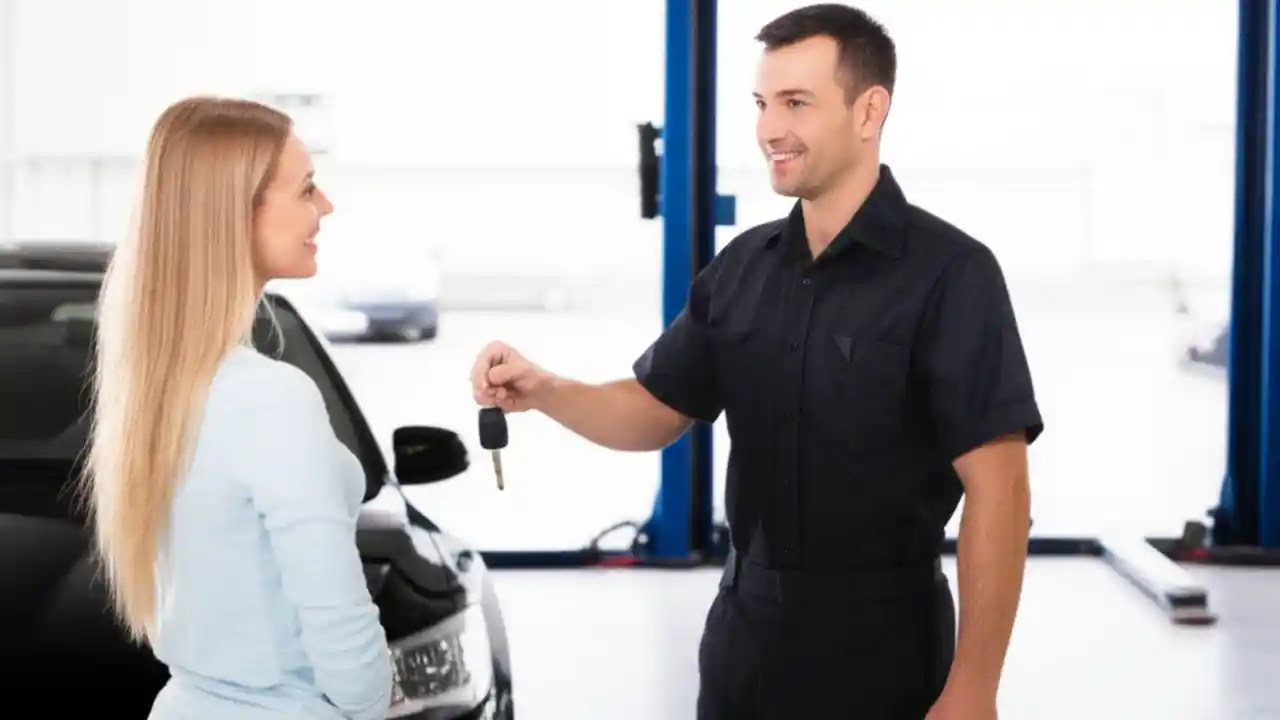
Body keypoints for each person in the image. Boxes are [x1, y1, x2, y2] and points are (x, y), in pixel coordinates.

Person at [472, 4, 1043, 718]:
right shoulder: (742, 269)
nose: (770, 128)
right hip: (747, 639)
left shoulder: (951, 275)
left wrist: (974, 688)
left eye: (797, 103)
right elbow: (656, 409)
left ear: (869, 111)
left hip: (888, 647)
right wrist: (545, 388)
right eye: (762, 103)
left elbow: (1001, 494)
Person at [78, 97, 393, 719]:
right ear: (236, 212)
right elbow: (340, 627)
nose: (324, 207)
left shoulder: (158, 387)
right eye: (306, 189)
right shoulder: (270, 398)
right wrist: (371, 704)